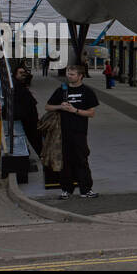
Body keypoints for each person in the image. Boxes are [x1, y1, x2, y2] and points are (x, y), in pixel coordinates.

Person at [46, 63, 99, 198]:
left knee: (82, 159)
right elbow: (48, 106)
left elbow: (91, 113)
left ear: (81, 76)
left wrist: (75, 110)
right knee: (65, 161)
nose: (69, 76)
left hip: (79, 131)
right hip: (62, 132)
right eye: (68, 74)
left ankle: (86, 189)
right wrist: (60, 107)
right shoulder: (61, 90)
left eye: (72, 74)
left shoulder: (87, 92)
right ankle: (66, 189)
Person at [12, 64, 42, 158]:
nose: (23, 74)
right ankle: (42, 155)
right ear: (15, 74)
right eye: (20, 73)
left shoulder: (20, 83)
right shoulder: (16, 85)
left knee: (36, 138)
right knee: (35, 138)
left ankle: (41, 154)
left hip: (30, 116)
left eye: (24, 73)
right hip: (27, 117)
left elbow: (29, 78)